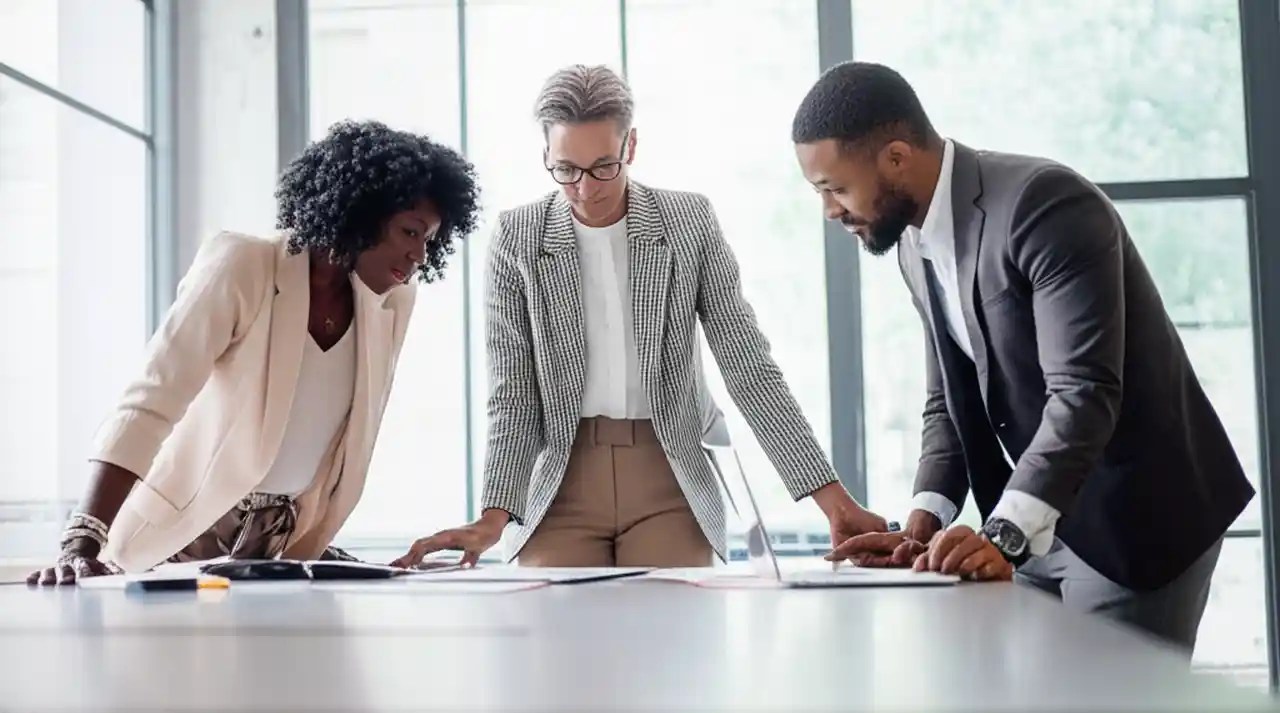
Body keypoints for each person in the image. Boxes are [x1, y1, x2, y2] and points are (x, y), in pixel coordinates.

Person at [789, 61, 1255, 652]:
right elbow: (949, 400)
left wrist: (1002, 536)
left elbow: (1083, 392)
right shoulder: (912, 243)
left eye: (834, 188)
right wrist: (922, 526)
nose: (830, 211)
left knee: (1104, 698)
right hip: (1037, 523)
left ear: (897, 158)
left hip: (1134, 517)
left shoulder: (1045, 204)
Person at [393, 64, 886, 570]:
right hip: (560, 484)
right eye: (567, 170)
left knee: (671, 619)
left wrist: (832, 499)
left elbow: (748, 368)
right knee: (555, 621)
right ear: (545, 156)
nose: (586, 188)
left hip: (669, 478)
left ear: (630, 147)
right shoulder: (517, 237)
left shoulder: (688, 222)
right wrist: (492, 518)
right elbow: (513, 394)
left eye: (603, 166)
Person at [29, 120, 480, 585]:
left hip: (275, 550)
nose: (420, 255)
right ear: (363, 211)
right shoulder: (244, 264)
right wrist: (82, 541)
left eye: (429, 240)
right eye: (410, 232)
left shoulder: (391, 302)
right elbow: (150, 402)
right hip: (174, 541)